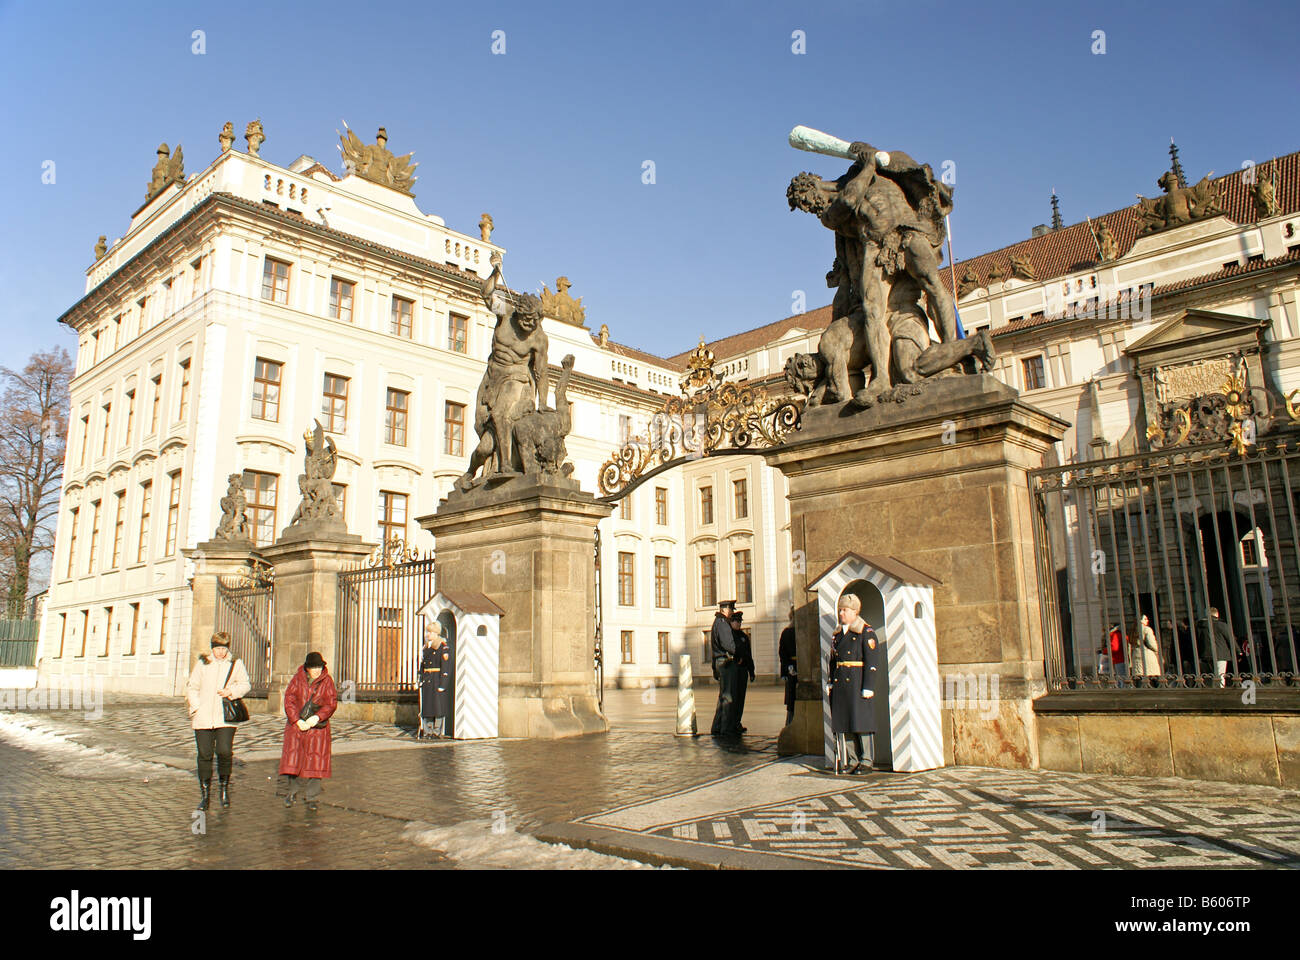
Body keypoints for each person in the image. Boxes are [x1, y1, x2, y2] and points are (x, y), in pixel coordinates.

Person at [185, 631, 251, 811]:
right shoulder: (203, 664)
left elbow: (245, 684)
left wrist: (232, 692)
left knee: (224, 752)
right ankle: (205, 794)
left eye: (224, 648)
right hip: (203, 716)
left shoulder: (235, 663)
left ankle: (224, 789)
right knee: (205, 755)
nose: (221, 652)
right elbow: (192, 687)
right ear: (212, 648)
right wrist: (196, 707)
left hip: (225, 717)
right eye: (218, 648)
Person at [279, 651, 338, 811]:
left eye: (319, 667)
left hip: (318, 729)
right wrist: (296, 720)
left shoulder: (327, 681)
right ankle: (291, 793)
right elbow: (289, 700)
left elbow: (331, 703)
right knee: (293, 762)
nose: (317, 670)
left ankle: (312, 797)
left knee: (316, 763)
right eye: (314, 667)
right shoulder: (297, 680)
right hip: (297, 727)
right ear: (307, 668)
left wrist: (318, 717)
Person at [827, 593, 879, 774]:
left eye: (845, 610)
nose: (841, 613)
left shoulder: (866, 632)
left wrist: (868, 686)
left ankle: (866, 760)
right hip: (842, 683)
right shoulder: (838, 634)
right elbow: (833, 660)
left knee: (861, 723)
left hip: (858, 682)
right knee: (845, 722)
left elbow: (872, 661)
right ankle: (852, 759)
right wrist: (831, 681)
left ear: (855, 612)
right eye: (840, 610)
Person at [709, 600, 738, 739]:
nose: (732, 612)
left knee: (723, 696)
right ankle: (725, 728)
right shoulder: (722, 624)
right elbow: (728, 644)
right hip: (725, 661)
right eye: (730, 610)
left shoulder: (717, 622)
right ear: (724, 610)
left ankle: (717, 726)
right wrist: (736, 651)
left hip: (719, 661)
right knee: (727, 696)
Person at [419, 622, 453, 738]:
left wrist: (443, 684)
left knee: (438, 707)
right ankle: (428, 730)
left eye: (430, 632)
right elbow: (423, 666)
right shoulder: (426, 647)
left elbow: (445, 666)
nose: (427, 634)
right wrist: (420, 678)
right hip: (428, 680)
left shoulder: (442, 646)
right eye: (427, 632)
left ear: (436, 633)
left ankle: (436, 731)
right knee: (428, 706)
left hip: (437, 679)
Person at [729, 611, 755, 735]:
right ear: (731, 622)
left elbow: (749, 655)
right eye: (736, 621)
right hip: (734, 669)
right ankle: (731, 723)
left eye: (740, 621)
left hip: (743, 669)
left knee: (741, 698)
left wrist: (752, 671)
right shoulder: (730, 635)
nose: (738, 623)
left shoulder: (744, 636)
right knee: (733, 697)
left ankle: (737, 722)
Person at [778, 608, 797, 726]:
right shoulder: (788, 632)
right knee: (792, 699)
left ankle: (790, 724)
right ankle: (790, 724)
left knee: (792, 700)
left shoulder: (786, 632)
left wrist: (786, 669)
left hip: (791, 667)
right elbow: (783, 653)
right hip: (794, 667)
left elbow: (782, 654)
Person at [1134, 614, 1162, 685]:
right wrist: (1156, 649)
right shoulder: (1147, 629)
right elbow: (1151, 643)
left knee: (1140, 674)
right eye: (1145, 619)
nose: (1147, 620)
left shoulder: (1134, 629)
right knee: (1152, 673)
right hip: (1147, 653)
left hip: (1136, 653)